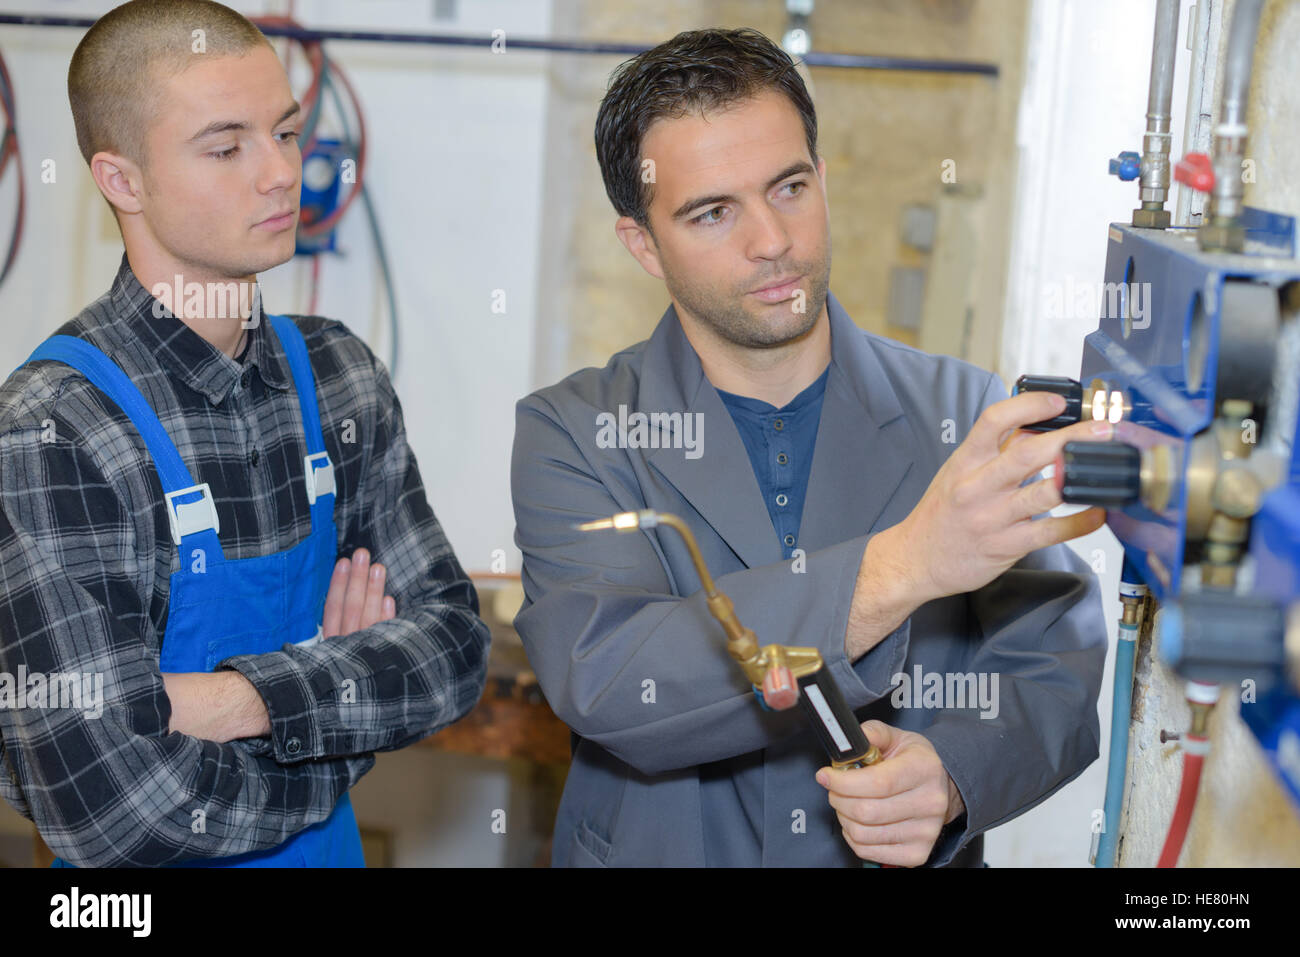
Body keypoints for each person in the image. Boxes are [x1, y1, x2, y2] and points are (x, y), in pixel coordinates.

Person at [511, 27, 1110, 867]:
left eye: (788, 187)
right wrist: (906, 565)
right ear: (642, 243)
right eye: (713, 211)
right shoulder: (574, 431)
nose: (771, 241)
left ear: (823, 179)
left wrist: (954, 773)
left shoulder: (962, 412)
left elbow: (1055, 655)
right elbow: (610, 676)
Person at [0, 0, 489, 867]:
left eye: (287, 132)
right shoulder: (54, 429)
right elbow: (114, 811)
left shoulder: (340, 375)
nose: (279, 174)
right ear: (123, 180)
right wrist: (340, 700)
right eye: (226, 148)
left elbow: (452, 647)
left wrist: (233, 699)